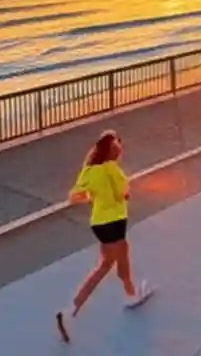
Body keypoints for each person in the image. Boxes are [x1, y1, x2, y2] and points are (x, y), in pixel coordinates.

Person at [57, 130, 151, 343]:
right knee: (121, 258)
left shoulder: (89, 170)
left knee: (106, 264)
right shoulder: (112, 169)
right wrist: (123, 194)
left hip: (98, 223)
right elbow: (123, 193)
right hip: (115, 221)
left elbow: (74, 197)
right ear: (113, 151)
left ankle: (71, 309)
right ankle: (130, 294)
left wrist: (92, 197)